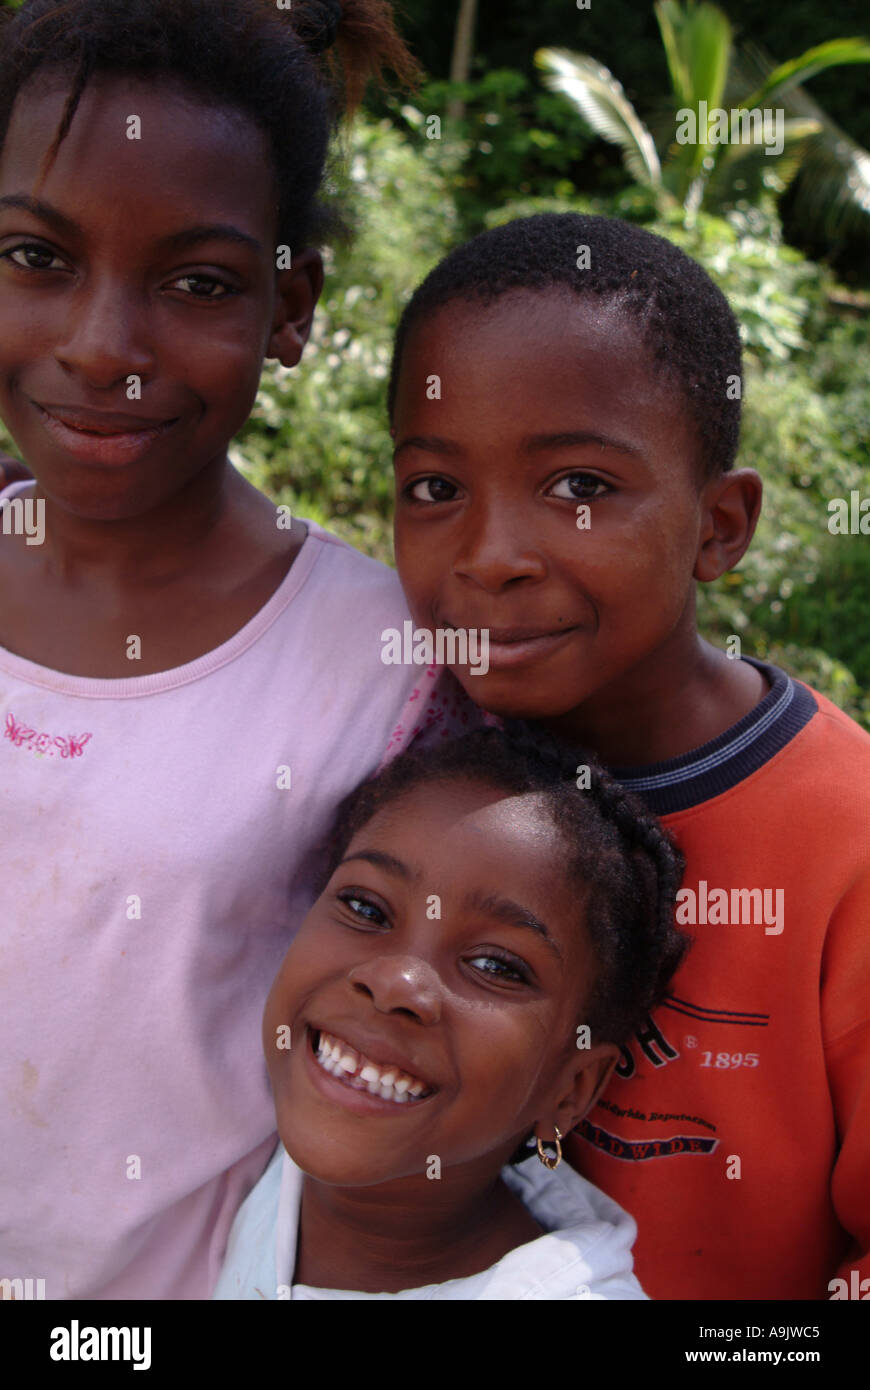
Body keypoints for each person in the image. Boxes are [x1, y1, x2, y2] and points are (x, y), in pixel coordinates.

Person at [0, 0, 473, 1301]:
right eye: (37, 257)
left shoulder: (387, 668)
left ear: (291, 305)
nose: (102, 345)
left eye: (198, 283)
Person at [386, 212, 870, 1300]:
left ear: (720, 525)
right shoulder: (405, 758)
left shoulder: (846, 845)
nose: (492, 555)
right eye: (434, 488)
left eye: (582, 489)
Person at [214, 728, 688, 1300]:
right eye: (366, 907)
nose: (395, 984)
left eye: (496, 966)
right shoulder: (257, 1162)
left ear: (570, 1089)